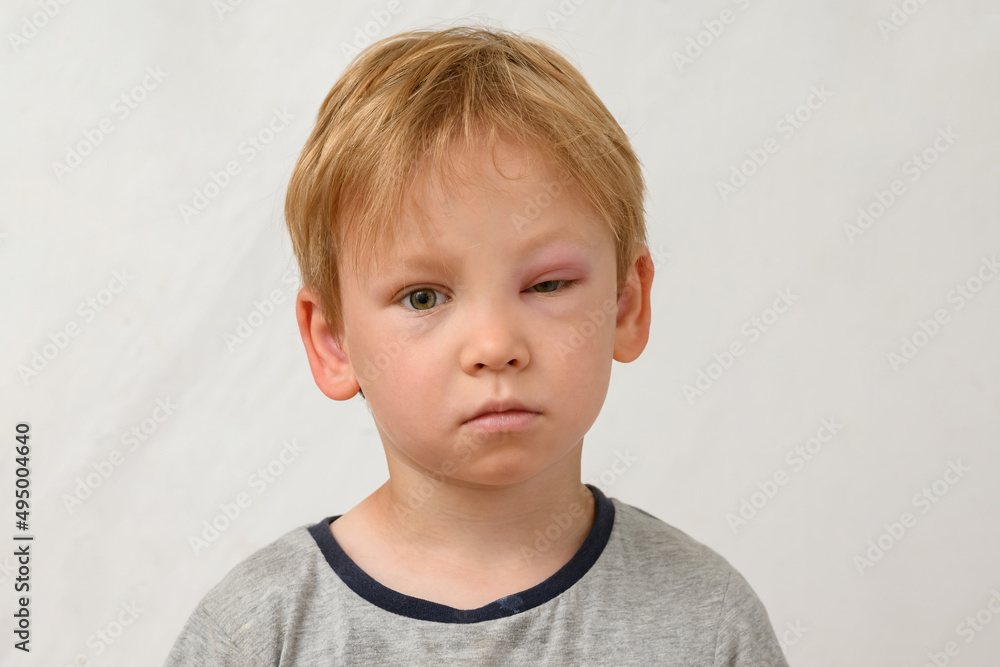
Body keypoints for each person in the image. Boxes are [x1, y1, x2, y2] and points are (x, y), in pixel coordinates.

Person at [164, 23, 789, 666]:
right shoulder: (256, 633)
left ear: (627, 304)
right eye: (423, 297)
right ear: (333, 341)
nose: (494, 346)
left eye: (547, 284)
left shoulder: (706, 623)